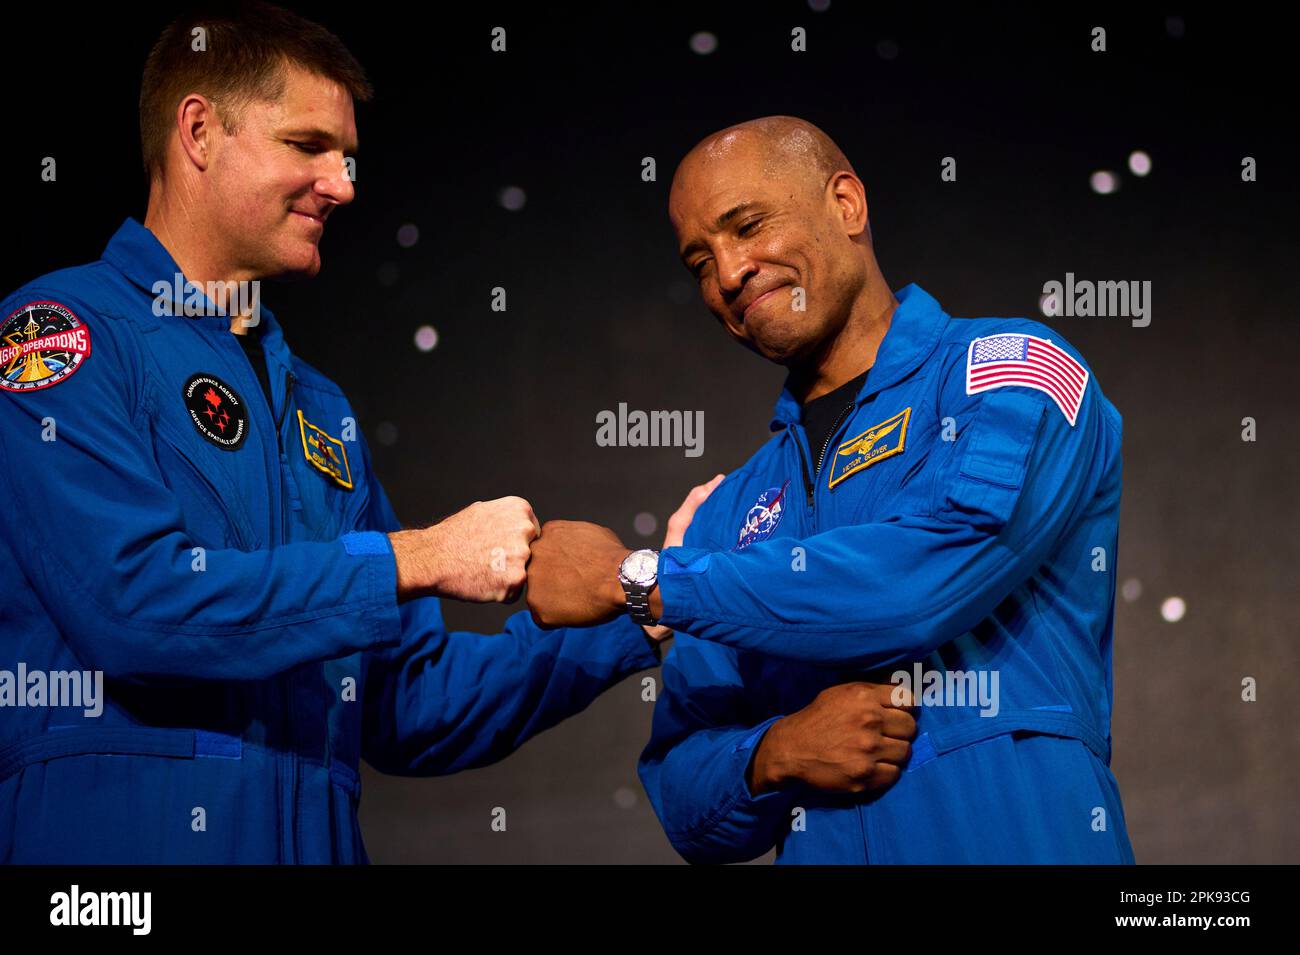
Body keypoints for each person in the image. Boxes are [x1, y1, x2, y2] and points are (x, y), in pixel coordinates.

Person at [0, 2, 674, 864]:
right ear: (200, 131)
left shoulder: (320, 409)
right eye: (308, 146)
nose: (344, 184)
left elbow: (408, 705)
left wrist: (640, 616)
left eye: (346, 156)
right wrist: (418, 556)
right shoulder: (60, 332)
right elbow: (135, 607)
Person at [526, 116, 1135, 864]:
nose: (727, 274)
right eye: (699, 261)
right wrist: (773, 753)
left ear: (846, 204)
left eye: (747, 226)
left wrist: (640, 581)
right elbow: (685, 796)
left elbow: (920, 583)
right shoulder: (728, 510)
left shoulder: (1008, 369)